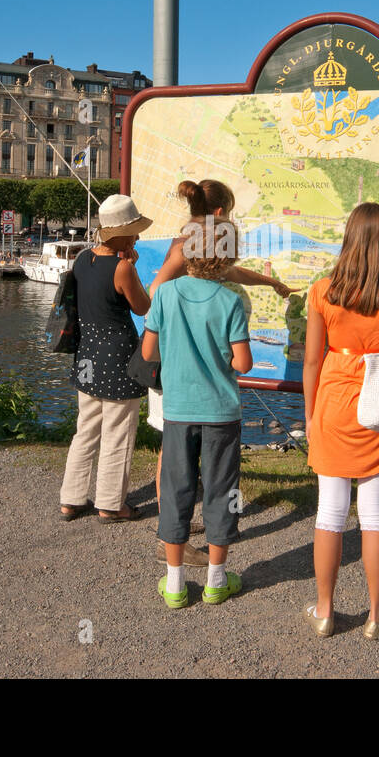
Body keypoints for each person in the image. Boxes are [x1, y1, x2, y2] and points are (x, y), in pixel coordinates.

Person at [145, 178, 294, 567]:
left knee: (180, 454)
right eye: (228, 212)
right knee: (177, 459)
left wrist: (270, 282)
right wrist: (167, 327)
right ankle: (174, 535)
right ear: (217, 214)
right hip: (181, 368)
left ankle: (177, 534)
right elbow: (157, 290)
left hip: (186, 369)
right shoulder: (185, 248)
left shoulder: (202, 248)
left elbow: (229, 273)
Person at [301, 203, 379, 639]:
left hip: (333, 406)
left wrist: (310, 417)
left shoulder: (323, 292)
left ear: (349, 238)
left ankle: (326, 611)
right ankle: (377, 615)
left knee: (329, 512)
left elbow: (312, 362)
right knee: (375, 516)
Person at [141, 216, 252, 608]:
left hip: (178, 410)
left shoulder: (166, 295)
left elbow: (148, 353)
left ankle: (174, 585)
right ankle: (216, 581)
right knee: (222, 491)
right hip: (222, 412)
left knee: (176, 490)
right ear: (227, 256)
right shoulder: (231, 301)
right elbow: (243, 364)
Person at [57, 194, 153, 524]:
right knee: (118, 434)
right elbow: (142, 307)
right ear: (122, 234)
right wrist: (135, 267)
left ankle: (71, 499)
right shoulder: (123, 267)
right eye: (134, 231)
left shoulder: (84, 260)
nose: (138, 236)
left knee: (85, 431)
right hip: (119, 361)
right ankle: (111, 504)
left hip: (87, 358)